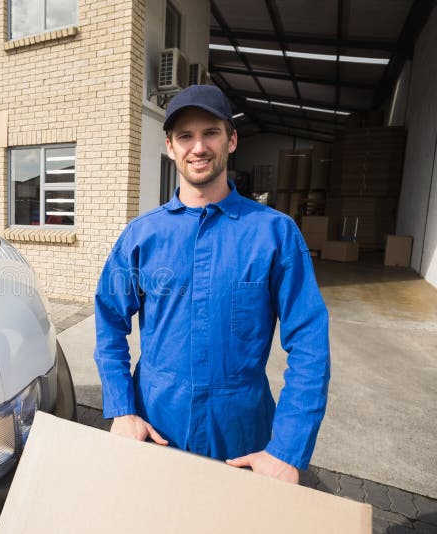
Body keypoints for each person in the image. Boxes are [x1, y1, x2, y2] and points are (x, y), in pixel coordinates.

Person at [93, 84, 330, 484]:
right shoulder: (141, 236)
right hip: (156, 427)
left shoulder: (274, 234)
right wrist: (122, 409)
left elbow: (309, 342)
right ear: (170, 146)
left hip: (240, 436)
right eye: (185, 136)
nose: (198, 147)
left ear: (232, 139)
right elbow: (109, 319)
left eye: (211, 133)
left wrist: (286, 450)